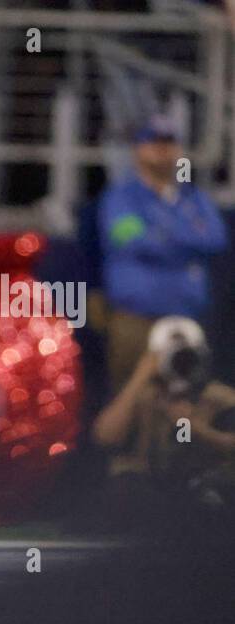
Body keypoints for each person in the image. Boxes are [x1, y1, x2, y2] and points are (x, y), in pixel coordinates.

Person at [96, 115, 228, 392]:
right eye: (154, 141)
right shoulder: (120, 197)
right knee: (129, 401)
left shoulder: (195, 198)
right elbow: (132, 242)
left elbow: (215, 240)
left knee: (185, 407)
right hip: (135, 320)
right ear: (138, 149)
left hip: (187, 322)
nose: (162, 148)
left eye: (169, 141)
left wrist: (160, 233)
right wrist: (188, 239)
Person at [92, 315, 235, 514]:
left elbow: (224, 446)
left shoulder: (216, 399)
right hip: (147, 491)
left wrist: (192, 427)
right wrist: (142, 374)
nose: (180, 362)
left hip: (198, 488)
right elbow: (106, 438)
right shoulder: (142, 397)